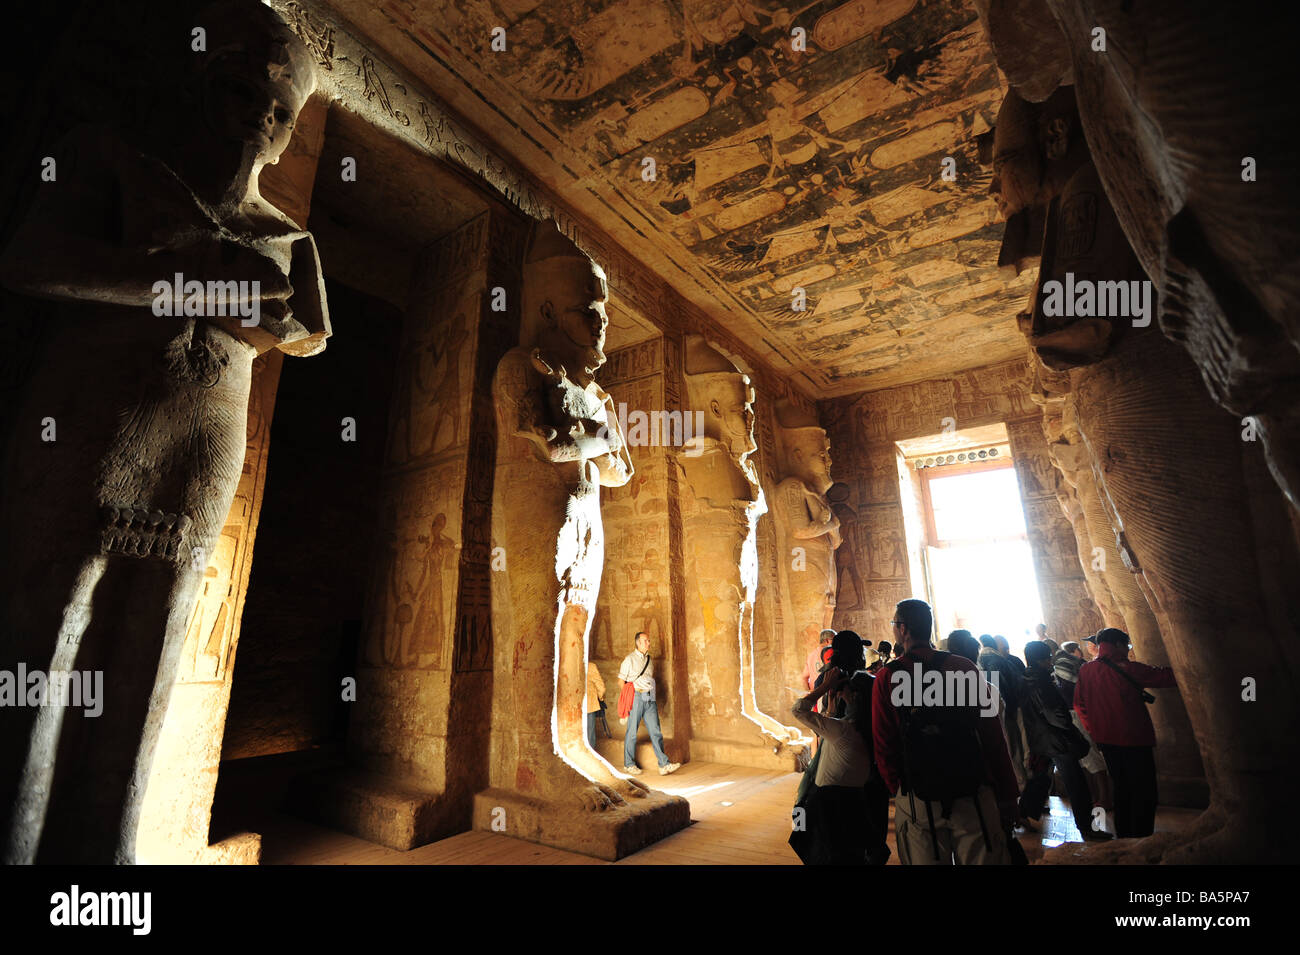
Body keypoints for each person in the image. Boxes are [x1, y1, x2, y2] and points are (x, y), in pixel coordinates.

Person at [874, 600, 1020, 864]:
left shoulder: (889, 676)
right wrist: (1007, 793)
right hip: (972, 790)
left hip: (918, 796)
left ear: (903, 629)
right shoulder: (964, 668)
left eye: (895, 625)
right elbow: (993, 736)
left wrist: (901, 788)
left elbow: (884, 745)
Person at [790, 631, 888, 865]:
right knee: (868, 822)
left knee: (813, 812)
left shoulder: (829, 679)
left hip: (838, 754)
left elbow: (822, 714)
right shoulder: (868, 683)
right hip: (867, 760)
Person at [1074, 628, 1177, 838]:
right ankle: (1141, 836)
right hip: (1134, 739)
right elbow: (1163, 677)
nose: (1128, 650)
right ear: (1119, 645)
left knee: (1121, 787)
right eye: (1127, 645)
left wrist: (1094, 729)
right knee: (1144, 790)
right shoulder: (1129, 668)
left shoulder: (1086, 670)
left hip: (1106, 740)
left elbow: (1079, 705)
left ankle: (1124, 834)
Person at [1019, 642, 1111, 841]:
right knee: (1076, 784)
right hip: (1057, 740)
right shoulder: (1041, 681)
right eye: (1048, 657)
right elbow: (1055, 713)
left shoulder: (1028, 678)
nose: (1050, 660)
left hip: (1042, 738)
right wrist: (1070, 730)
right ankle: (1087, 827)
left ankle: (1021, 812)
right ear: (1042, 659)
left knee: (1041, 779)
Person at [1053, 641, 1112, 814]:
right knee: (1084, 756)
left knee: (1090, 755)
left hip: (1075, 713)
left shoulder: (1062, 664)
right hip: (1075, 712)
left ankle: (1105, 798)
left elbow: (1073, 688)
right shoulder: (1069, 662)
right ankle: (1096, 796)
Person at [618, 631, 680, 776]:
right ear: (638, 643)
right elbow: (621, 682)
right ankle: (629, 764)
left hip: (649, 698)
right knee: (632, 732)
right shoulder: (629, 660)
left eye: (649, 641)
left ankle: (664, 765)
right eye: (645, 641)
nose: (649, 643)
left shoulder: (649, 660)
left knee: (656, 731)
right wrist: (631, 696)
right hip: (636, 697)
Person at [978, 634, 1026, 787]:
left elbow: (996, 691)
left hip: (1006, 713)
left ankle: (1022, 790)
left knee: (1012, 751)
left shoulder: (987, 661)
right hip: (1012, 710)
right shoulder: (997, 660)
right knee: (1017, 749)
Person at [586, 661, 607, 750]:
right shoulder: (590, 666)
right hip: (588, 705)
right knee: (589, 733)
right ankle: (590, 756)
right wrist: (601, 698)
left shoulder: (569, 664)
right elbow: (601, 687)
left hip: (572, 707)